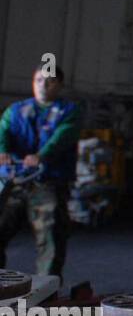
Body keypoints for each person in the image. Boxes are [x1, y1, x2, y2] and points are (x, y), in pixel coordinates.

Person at [0, 66, 81, 283]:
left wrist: (41, 156)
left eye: (49, 81)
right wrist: (2, 151)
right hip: (14, 179)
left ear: (60, 85)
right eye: (38, 80)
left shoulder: (69, 112)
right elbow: (3, 131)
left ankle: (46, 292)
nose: (43, 85)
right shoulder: (16, 111)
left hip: (48, 182)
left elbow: (62, 138)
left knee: (51, 237)